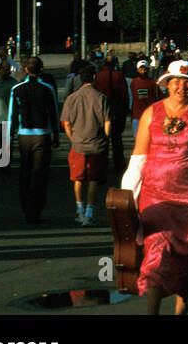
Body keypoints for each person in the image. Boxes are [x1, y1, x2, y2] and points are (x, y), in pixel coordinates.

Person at [122, 60, 188, 315]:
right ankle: (152, 311)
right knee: (156, 253)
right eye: (177, 81)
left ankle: (182, 306)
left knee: (184, 255)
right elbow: (138, 159)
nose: (182, 86)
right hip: (154, 199)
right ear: (167, 83)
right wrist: (127, 201)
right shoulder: (151, 112)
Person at [7, 57, 60, 223]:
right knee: (39, 174)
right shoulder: (47, 89)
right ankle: (35, 209)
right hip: (42, 135)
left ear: (26, 70)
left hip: (24, 135)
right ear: (41, 69)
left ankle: (25, 207)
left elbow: (12, 115)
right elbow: (54, 114)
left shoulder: (17, 89)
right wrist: (56, 135)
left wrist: (9, 137)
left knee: (25, 171)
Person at [60, 71, 112, 226]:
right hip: (96, 143)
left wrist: (72, 138)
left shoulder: (72, 98)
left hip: (78, 143)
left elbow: (66, 123)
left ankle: (79, 209)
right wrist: (105, 138)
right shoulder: (101, 97)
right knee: (93, 179)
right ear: (94, 78)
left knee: (78, 178)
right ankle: (90, 211)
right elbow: (108, 122)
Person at [129, 61, 161, 138]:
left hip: (150, 116)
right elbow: (131, 96)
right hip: (136, 116)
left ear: (148, 69)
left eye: (145, 69)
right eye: (141, 69)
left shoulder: (153, 82)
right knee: (138, 139)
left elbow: (159, 97)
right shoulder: (133, 82)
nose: (143, 71)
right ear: (137, 70)